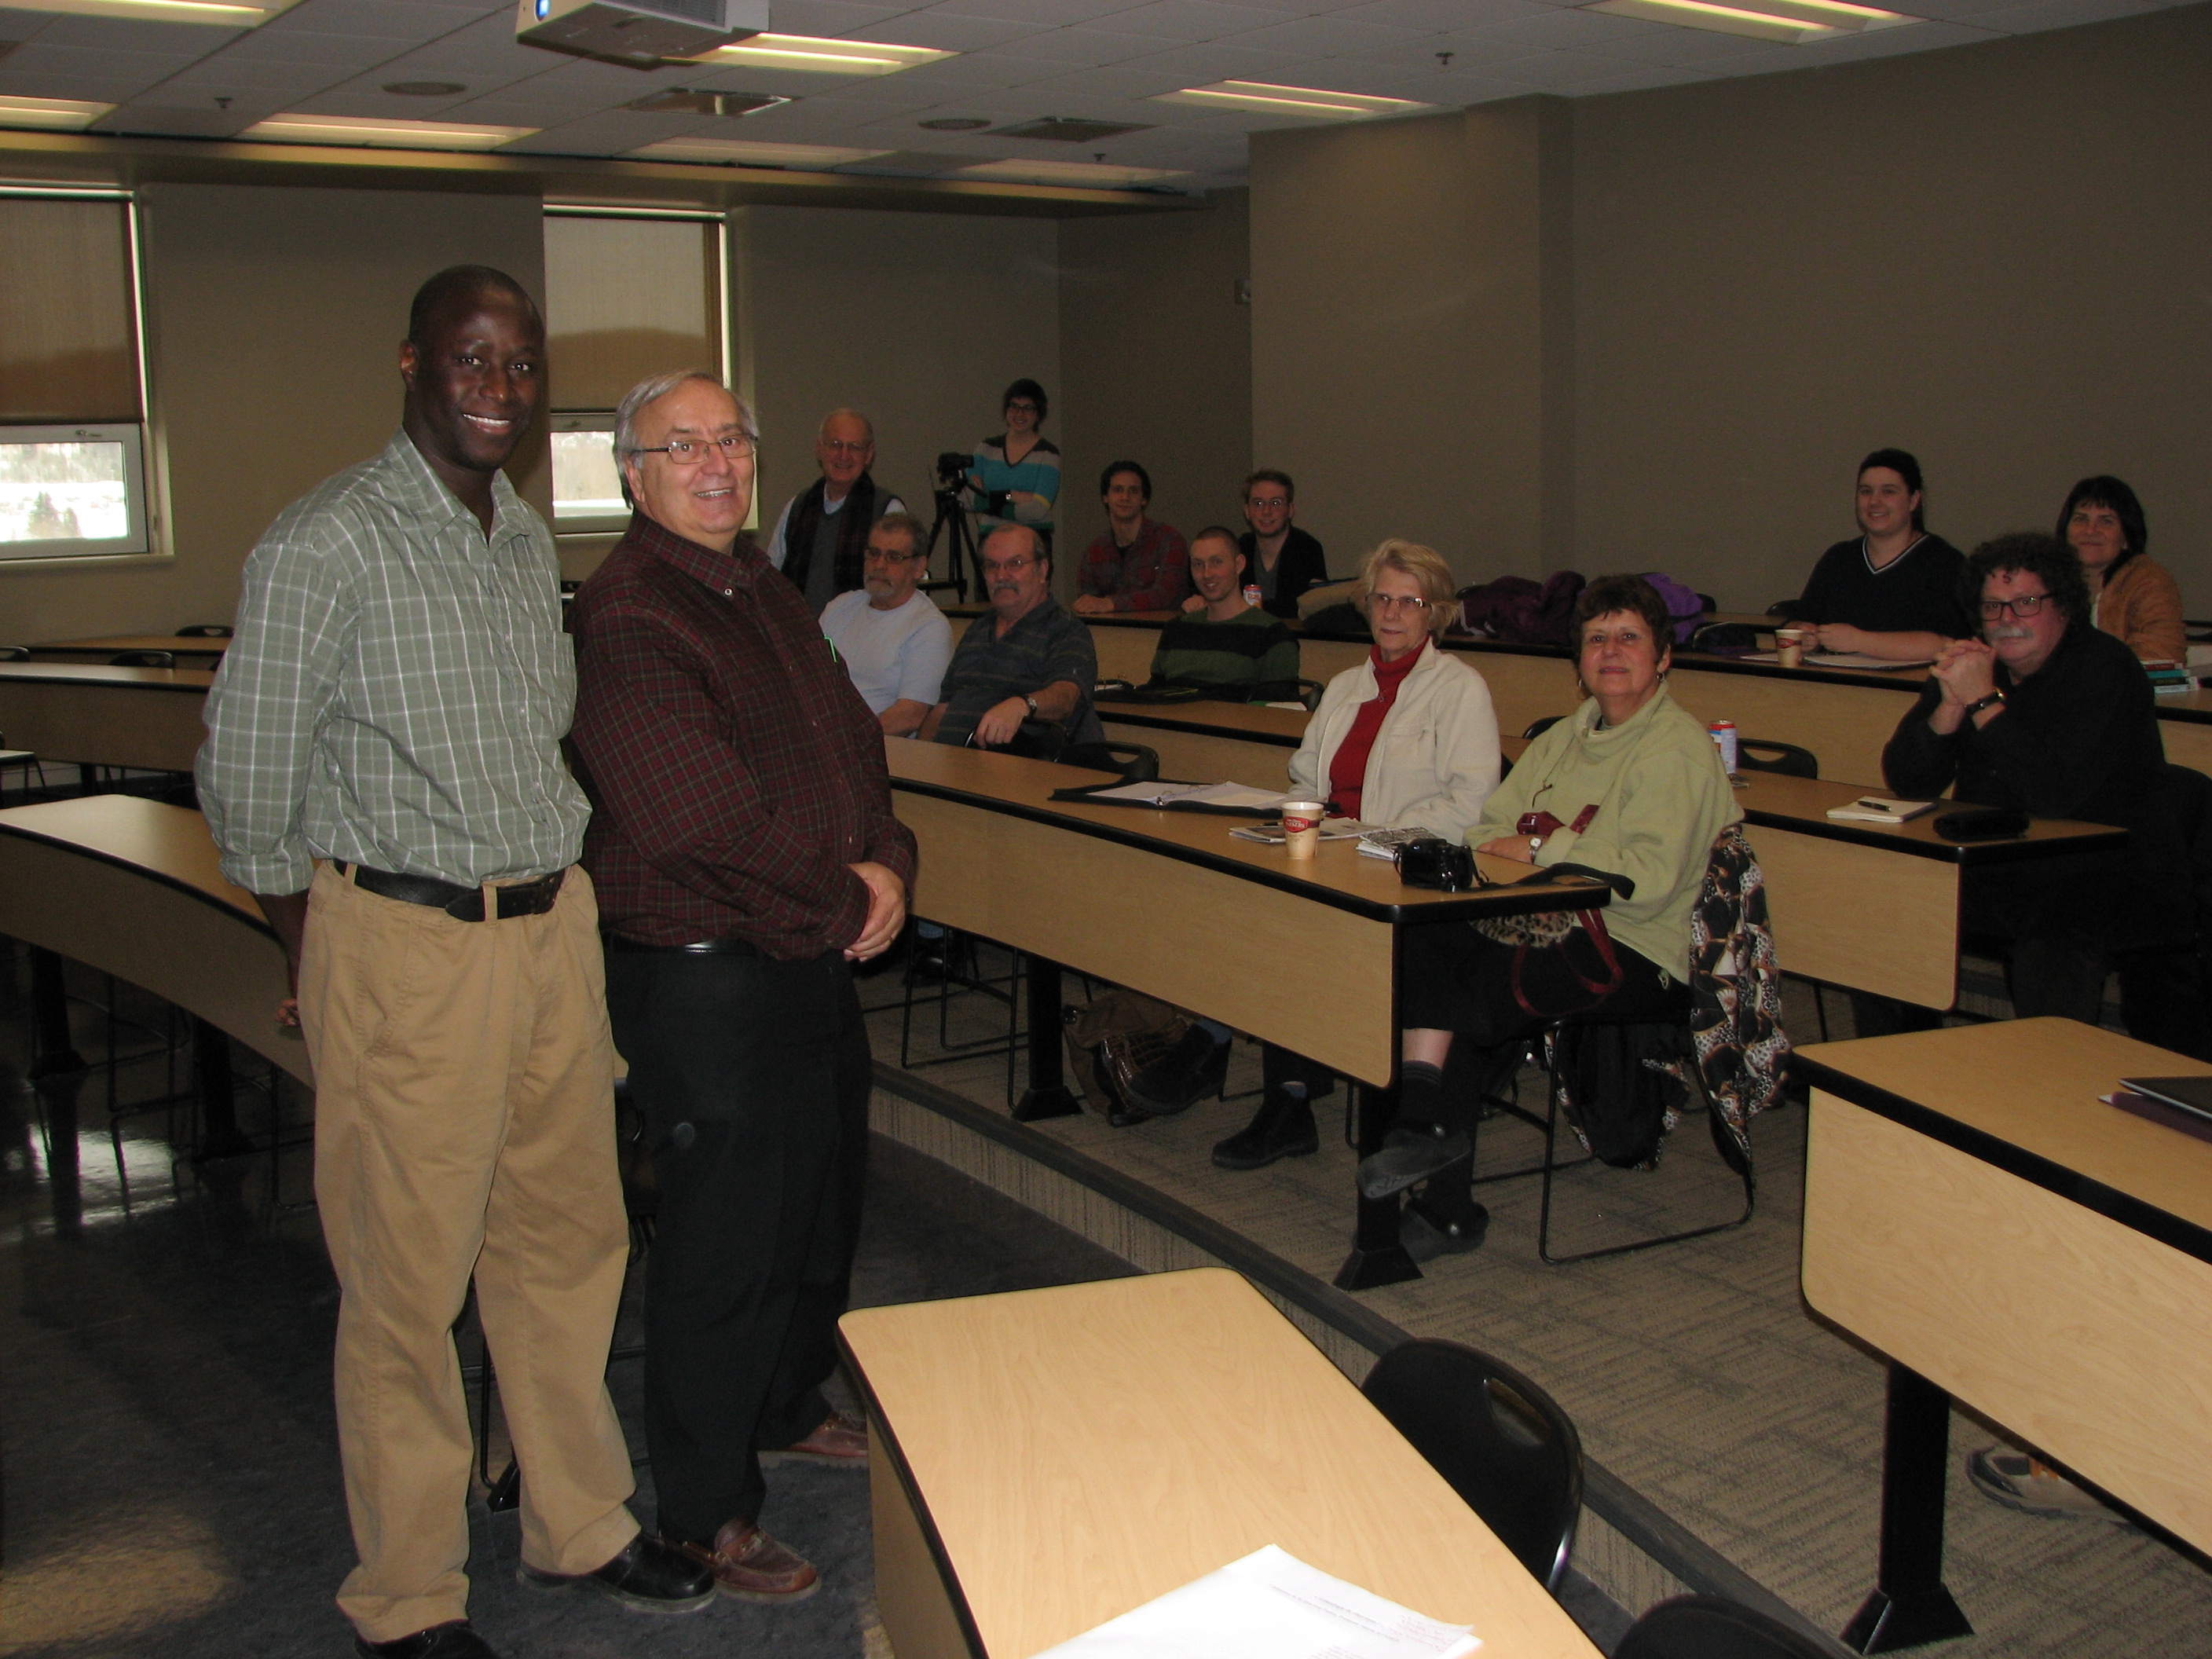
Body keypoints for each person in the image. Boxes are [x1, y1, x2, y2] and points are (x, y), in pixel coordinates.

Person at [197, 267, 713, 1659]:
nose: (499, 387)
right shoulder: (328, 541)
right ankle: (410, 1591)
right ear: (412, 363)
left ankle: (578, 1520)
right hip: (411, 943)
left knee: (568, 1248)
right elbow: (246, 778)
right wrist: (316, 947)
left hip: (549, 936)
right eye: (472, 359)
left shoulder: (519, 537)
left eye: (522, 364)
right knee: (406, 1286)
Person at [567, 369, 915, 1605]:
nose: (716, 463)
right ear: (633, 474)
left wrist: (891, 860)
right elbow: (695, 819)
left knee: (818, 1206)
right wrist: (848, 898)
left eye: (730, 440)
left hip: (802, 954)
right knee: (725, 1244)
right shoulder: (628, 612)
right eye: (683, 446)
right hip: (705, 977)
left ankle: (784, 1403)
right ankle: (705, 1505)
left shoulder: (761, 586)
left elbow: (853, 745)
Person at [1350, 574, 1741, 1253]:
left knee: (1470, 988)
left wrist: (1539, 848)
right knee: (1419, 943)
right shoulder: (1564, 737)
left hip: (1636, 946)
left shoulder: (1677, 748)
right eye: (1596, 639)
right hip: (1540, 914)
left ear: (1663, 657)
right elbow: (1486, 828)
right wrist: (1538, 852)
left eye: (1628, 638)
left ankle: (1442, 1187)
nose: (1610, 651)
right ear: (1578, 663)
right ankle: (1426, 1130)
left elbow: (1644, 880)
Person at [1204, 541, 1502, 1174]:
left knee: (1305, 923)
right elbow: (1305, 777)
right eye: (1382, 598)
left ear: (1434, 613)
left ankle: (1282, 1091)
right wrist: (1303, 822)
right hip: (1335, 853)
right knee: (1252, 904)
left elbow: (1472, 804)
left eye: (1409, 601)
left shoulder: (1460, 689)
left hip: (1405, 867)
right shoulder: (1344, 688)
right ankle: (1273, 1092)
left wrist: (1375, 839)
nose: (1392, 612)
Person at [1877, 532, 2193, 1043]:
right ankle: (1897, 1061)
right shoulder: (1976, 666)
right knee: (1892, 907)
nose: (2007, 619)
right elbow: (1909, 780)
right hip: (2003, 860)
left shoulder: (2104, 668)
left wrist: (1983, 703)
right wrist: (1948, 709)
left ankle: (2049, 1076)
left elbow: (2053, 794)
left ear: (2063, 605)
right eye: (1993, 606)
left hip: (2110, 869)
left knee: (2055, 939)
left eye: (2025, 602)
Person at [921, 523, 1101, 750]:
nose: (1001, 576)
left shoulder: (1066, 629)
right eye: (992, 566)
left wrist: (1022, 705)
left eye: (1015, 564)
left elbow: (1066, 697)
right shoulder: (977, 629)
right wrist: (922, 755)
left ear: (1042, 570)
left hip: (1018, 763)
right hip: (951, 761)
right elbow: (943, 709)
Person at [1792, 449, 1971, 661]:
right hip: (1837, 679)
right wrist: (1803, 634)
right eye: (1866, 491)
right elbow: (1799, 620)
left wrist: (1859, 641)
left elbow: (1946, 644)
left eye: (1888, 491)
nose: (1874, 501)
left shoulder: (1944, 563)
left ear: (1914, 500)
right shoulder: (1838, 558)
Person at [822, 511, 954, 737]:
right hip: (820, 734)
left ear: (918, 567)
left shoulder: (929, 627)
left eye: (894, 557)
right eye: (873, 554)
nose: (879, 565)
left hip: (876, 746)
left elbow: (910, 715)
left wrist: (849, 741)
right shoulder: (839, 608)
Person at [764, 407, 905, 614]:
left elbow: (899, 586)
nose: (844, 455)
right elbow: (771, 579)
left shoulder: (887, 510)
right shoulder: (797, 507)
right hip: (800, 628)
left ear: (869, 454)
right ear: (819, 449)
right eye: (835, 445)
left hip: (862, 628)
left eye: (854, 447)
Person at [1144, 526, 1300, 696]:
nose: (1207, 574)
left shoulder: (1273, 635)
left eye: (1216, 562)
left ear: (1239, 564)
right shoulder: (1176, 630)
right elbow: (1154, 696)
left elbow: (1279, 706)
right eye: (1198, 564)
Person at [2056, 474, 2185, 663]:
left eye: (2106, 521)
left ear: (2127, 536)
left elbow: (2161, 654)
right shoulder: (2046, 581)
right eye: (2081, 519)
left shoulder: (2150, 582)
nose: (2090, 530)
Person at [1074, 460, 1190, 614]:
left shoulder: (1169, 540)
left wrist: (1110, 604)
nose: (1125, 497)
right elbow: (1086, 603)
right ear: (1105, 497)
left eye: (1133, 491)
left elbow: (1166, 595)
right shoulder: (1094, 552)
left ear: (1144, 499)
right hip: (1108, 629)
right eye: (1118, 490)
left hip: (1159, 627)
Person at [961, 377, 1059, 551]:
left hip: (1032, 542)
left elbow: (1038, 509)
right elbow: (965, 498)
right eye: (1014, 406)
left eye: (1028, 408)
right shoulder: (986, 449)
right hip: (991, 541)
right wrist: (1013, 496)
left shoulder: (1048, 454)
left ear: (1039, 413)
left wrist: (992, 498)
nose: (1020, 414)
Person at [1232, 468, 1329, 618]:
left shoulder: (1307, 549)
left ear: (1290, 510)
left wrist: (1248, 607)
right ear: (1247, 511)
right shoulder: (1239, 549)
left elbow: (1302, 606)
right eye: (1258, 503)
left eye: (1276, 503)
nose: (1266, 511)